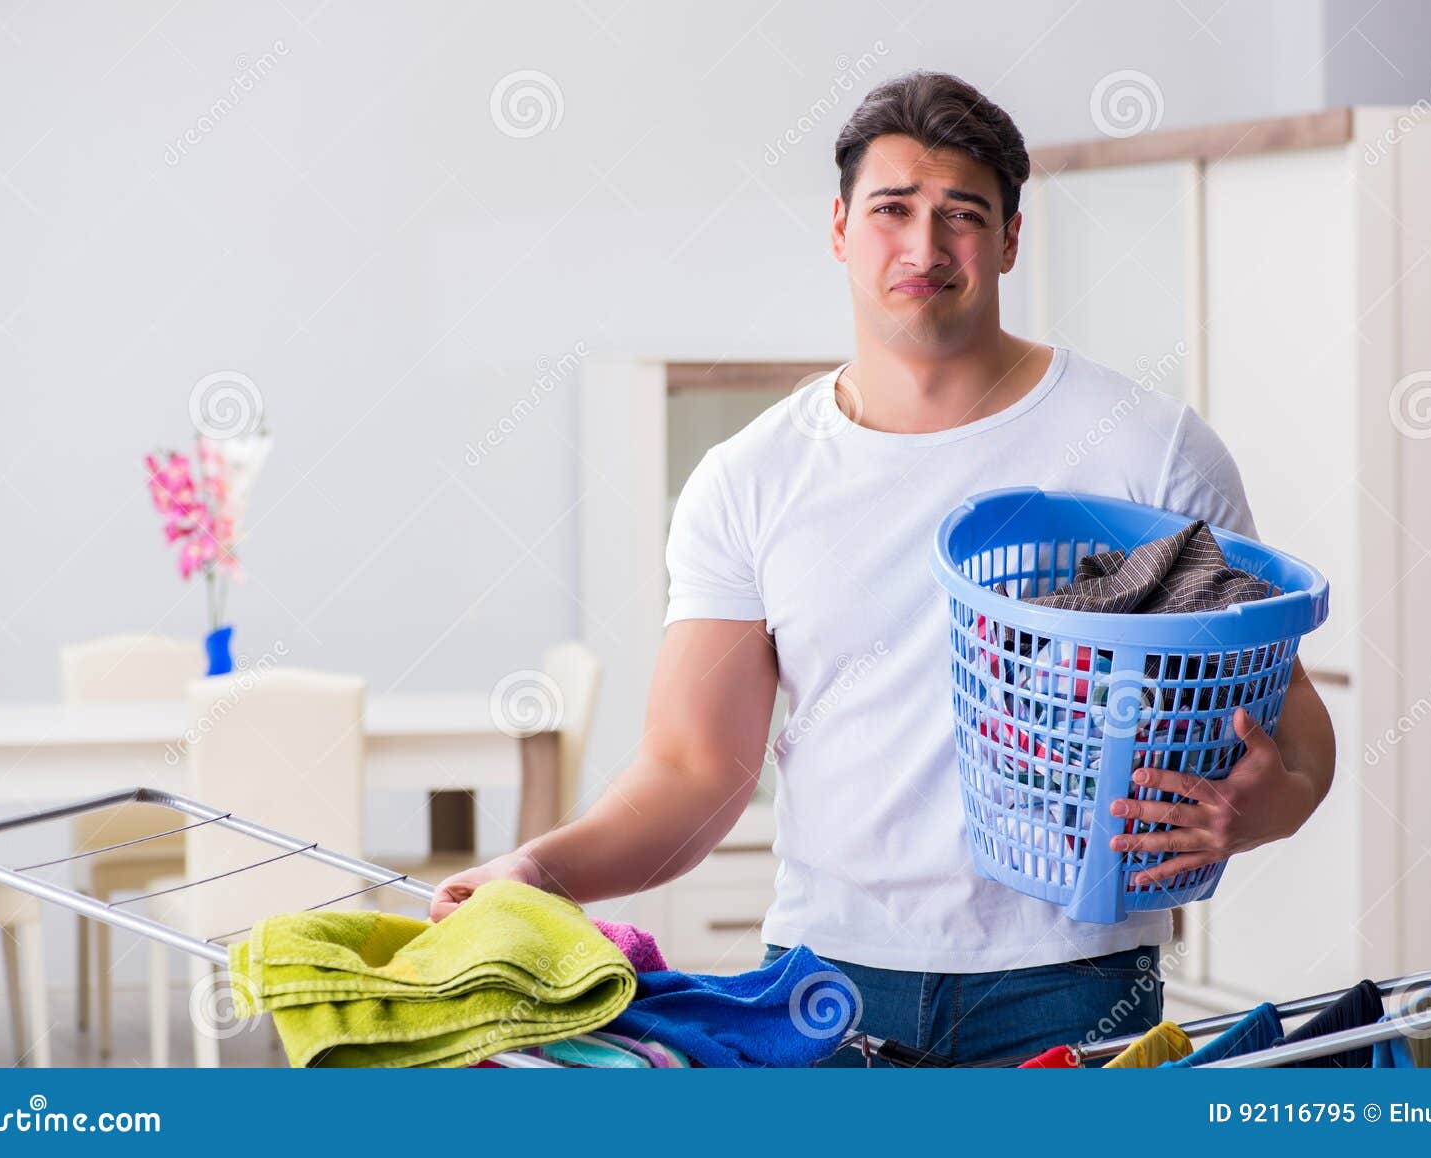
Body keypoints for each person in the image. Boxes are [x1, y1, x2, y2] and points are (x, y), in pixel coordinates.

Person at [431, 70, 1336, 1066]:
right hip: (825, 981)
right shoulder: (750, 478)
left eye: (961, 214)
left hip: (1075, 978)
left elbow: (1289, 724)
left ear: (1008, 240)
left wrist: (1264, 810)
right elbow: (695, 770)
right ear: (838, 228)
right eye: (892, 210)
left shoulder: (1149, 449)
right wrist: (537, 867)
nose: (923, 246)